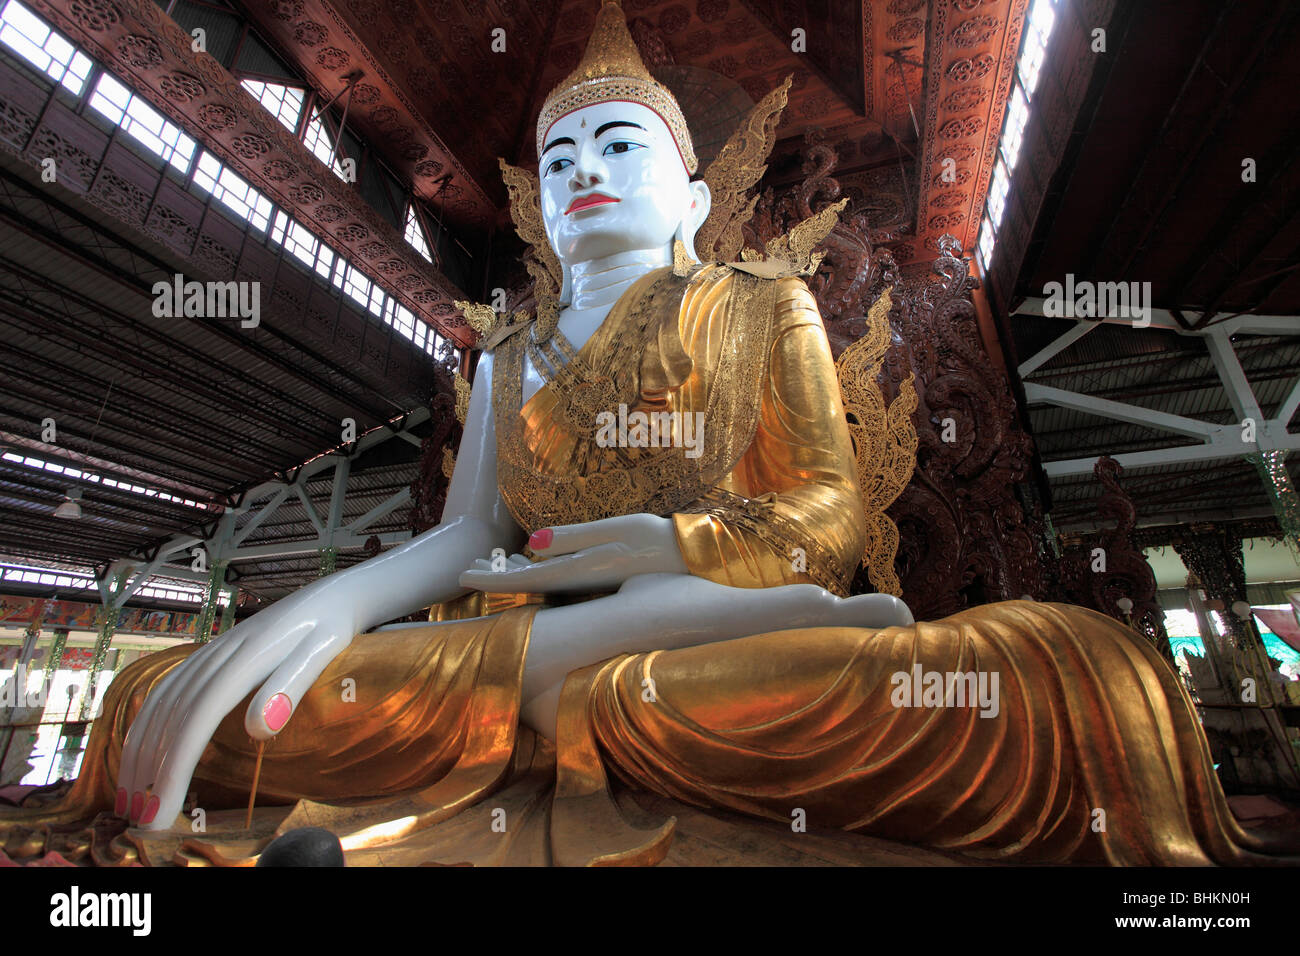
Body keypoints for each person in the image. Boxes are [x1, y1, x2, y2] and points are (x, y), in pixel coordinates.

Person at [3, 0, 1296, 867]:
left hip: (730, 659)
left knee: (1070, 682)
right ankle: (565, 687)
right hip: (549, 660)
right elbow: (462, 549)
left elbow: (825, 521)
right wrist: (329, 609)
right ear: (539, 211)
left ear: (693, 192)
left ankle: (586, 685)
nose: (583, 173)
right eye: (558, 163)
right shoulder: (512, 358)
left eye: (619, 145)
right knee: (178, 694)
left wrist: (665, 544)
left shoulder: (759, 305)